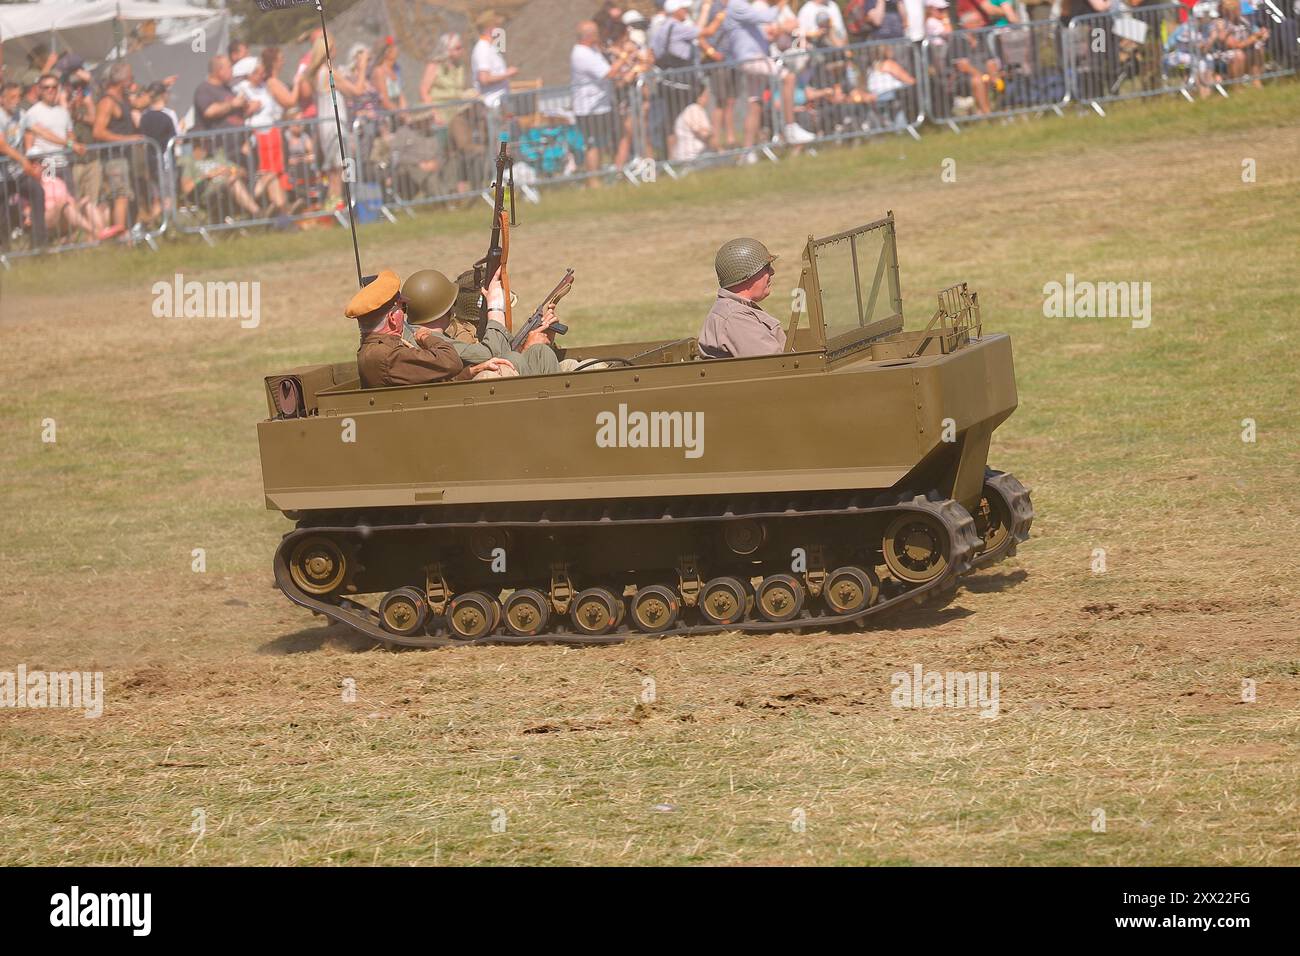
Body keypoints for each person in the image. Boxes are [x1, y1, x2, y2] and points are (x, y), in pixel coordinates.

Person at [352, 269, 512, 388]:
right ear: (393, 318)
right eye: (402, 308)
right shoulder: (386, 356)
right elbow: (451, 361)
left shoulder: (385, 349)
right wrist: (427, 337)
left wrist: (471, 372)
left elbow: (427, 386)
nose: (405, 314)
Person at [403, 268, 564, 377]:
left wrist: (528, 345)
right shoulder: (427, 340)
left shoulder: (421, 334)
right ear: (447, 308)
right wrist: (495, 307)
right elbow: (493, 355)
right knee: (514, 360)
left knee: (541, 353)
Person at [698, 237, 786, 358]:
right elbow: (776, 365)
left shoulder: (737, 311)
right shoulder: (735, 318)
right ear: (747, 275)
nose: (772, 272)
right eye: (766, 267)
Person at [571, 21, 635, 182]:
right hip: (589, 108)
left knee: (619, 135)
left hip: (602, 105)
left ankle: (616, 171)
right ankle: (594, 181)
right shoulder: (581, 54)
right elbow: (610, 73)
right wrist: (625, 54)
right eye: (596, 33)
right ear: (589, 36)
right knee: (593, 145)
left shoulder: (592, 50)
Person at [92, 62, 143, 236]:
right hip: (114, 158)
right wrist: (128, 139)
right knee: (120, 195)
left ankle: (121, 233)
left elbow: (140, 103)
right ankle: (120, 236)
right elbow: (98, 131)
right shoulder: (107, 101)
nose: (132, 81)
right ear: (123, 80)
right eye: (131, 78)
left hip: (123, 157)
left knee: (123, 196)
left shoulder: (123, 100)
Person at [0, 81, 47, 249]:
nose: (16, 100)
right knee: (3, 215)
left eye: (19, 96)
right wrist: (23, 160)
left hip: (17, 173)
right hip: (2, 176)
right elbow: (2, 145)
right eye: (12, 97)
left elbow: (38, 130)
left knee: (37, 191)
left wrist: (69, 143)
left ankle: (39, 246)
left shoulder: (21, 114)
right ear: (2, 99)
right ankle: (5, 252)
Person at [471, 10, 518, 110]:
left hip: (500, 103)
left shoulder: (490, 47)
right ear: (491, 28)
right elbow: (484, 79)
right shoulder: (482, 48)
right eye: (497, 25)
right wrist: (507, 74)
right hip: (492, 104)